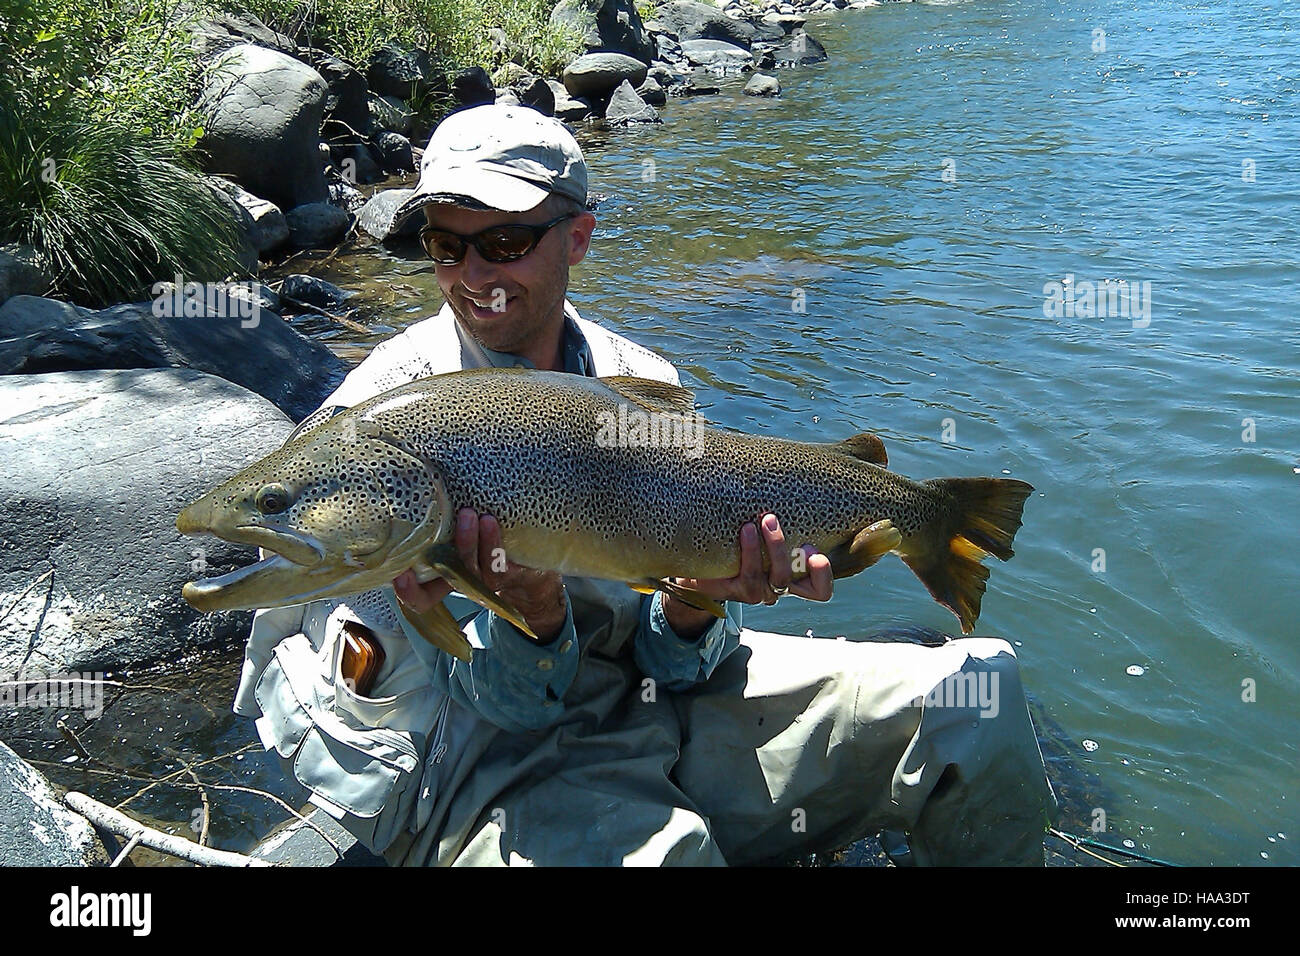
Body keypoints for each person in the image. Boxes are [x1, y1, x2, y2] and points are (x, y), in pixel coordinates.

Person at [233, 104, 1057, 866]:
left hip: (649, 707)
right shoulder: (383, 431)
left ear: (578, 237)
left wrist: (699, 602)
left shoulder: (641, 382)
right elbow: (513, 709)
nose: (473, 272)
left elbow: (679, 660)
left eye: (506, 243)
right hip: (484, 762)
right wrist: (536, 615)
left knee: (976, 696)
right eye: (448, 246)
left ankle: (935, 527)